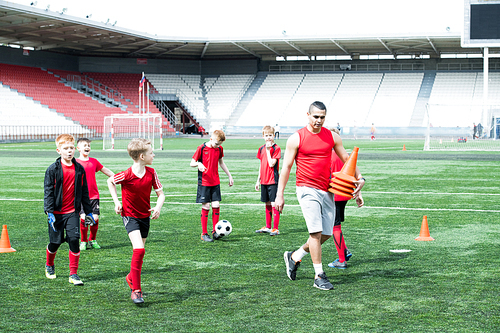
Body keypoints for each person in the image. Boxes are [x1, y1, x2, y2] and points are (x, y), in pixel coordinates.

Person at [276, 101, 364, 291]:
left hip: (328, 189)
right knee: (315, 233)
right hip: (306, 189)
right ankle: (319, 275)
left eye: (322, 117)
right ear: (307, 115)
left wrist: (360, 178)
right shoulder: (296, 138)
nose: (319, 120)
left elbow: (347, 159)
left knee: (325, 234)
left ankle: (295, 256)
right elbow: (286, 168)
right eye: (315, 116)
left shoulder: (332, 137)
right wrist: (279, 195)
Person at [107, 138, 165, 304]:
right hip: (129, 215)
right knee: (139, 250)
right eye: (151, 153)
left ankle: (131, 277)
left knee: (140, 250)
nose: (153, 155)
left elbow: (161, 194)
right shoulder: (126, 174)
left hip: (144, 216)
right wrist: (117, 202)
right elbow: (110, 181)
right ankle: (136, 290)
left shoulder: (152, 173)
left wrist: (158, 207)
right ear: (141, 156)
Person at [43, 134, 95, 286]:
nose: (69, 151)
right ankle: (49, 265)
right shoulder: (52, 169)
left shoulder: (79, 168)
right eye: (65, 148)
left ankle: (73, 274)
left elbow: (84, 191)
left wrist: (88, 211)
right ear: (58, 150)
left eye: (71, 148)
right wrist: (49, 212)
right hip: (56, 214)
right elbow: (48, 192)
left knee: (74, 240)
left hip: (72, 212)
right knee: (56, 242)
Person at [327, 128, 364, 270]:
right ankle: (345, 251)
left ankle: (342, 260)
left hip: (335, 194)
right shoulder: (345, 155)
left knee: (335, 226)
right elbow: (354, 175)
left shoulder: (327, 155)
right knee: (335, 225)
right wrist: (358, 194)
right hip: (345, 194)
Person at [190, 130, 234, 242]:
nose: (217, 146)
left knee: (216, 204)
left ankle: (215, 232)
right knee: (206, 206)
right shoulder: (201, 148)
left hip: (215, 181)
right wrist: (198, 164)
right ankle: (204, 233)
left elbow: (221, 162)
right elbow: (192, 163)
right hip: (204, 182)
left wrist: (229, 176)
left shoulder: (219, 149)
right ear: (211, 139)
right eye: (216, 144)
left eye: (219, 145)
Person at [76, 138, 114, 251]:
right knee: (84, 218)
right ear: (78, 148)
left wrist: (117, 177)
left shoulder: (94, 161)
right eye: (84, 145)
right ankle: (83, 241)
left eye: (88, 145)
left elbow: (105, 170)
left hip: (93, 196)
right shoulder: (75, 163)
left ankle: (92, 240)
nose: (87, 147)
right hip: (81, 196)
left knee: (95, 219)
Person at [255, 125, 282, 236]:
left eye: (270, 135)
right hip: (264, 180)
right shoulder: (261, 148)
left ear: (274, 135)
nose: (269, 138)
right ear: (263, 136)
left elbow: (271, 163)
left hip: (273, 180)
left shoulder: (276, 148)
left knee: (274, 203)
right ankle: (268, 226)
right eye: (266, 136)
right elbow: (262, 165)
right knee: (266, 203)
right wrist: (258, 180)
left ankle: (275, 228)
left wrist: (267, 150)